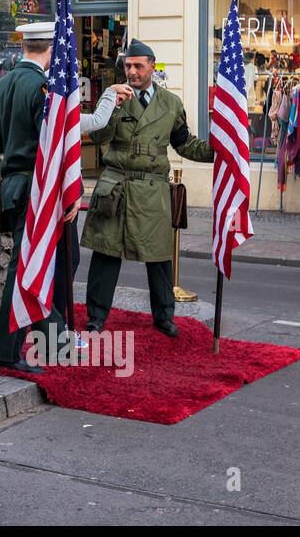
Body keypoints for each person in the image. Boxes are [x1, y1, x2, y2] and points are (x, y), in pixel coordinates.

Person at [81, 39, 214, 337]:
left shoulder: (170, 103)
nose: (132, 72)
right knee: (106, 254)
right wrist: (110, 105)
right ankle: (96, 317)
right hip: (117, 186)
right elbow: (99, 136)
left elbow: (184, 142)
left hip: (152, 189)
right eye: (127, 66)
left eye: (138, 66)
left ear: (152, 66)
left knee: (159, 256)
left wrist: (216, 153)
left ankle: (164, 316)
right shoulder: (114, 97)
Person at [0, 22, 74, 374]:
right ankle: (4, 353)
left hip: (10, 184)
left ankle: (53, 342)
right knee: (23, 269)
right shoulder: (44, 88)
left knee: (36, 265)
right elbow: (50, 144)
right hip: (35, 186)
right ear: (50, 50)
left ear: (23, 47)